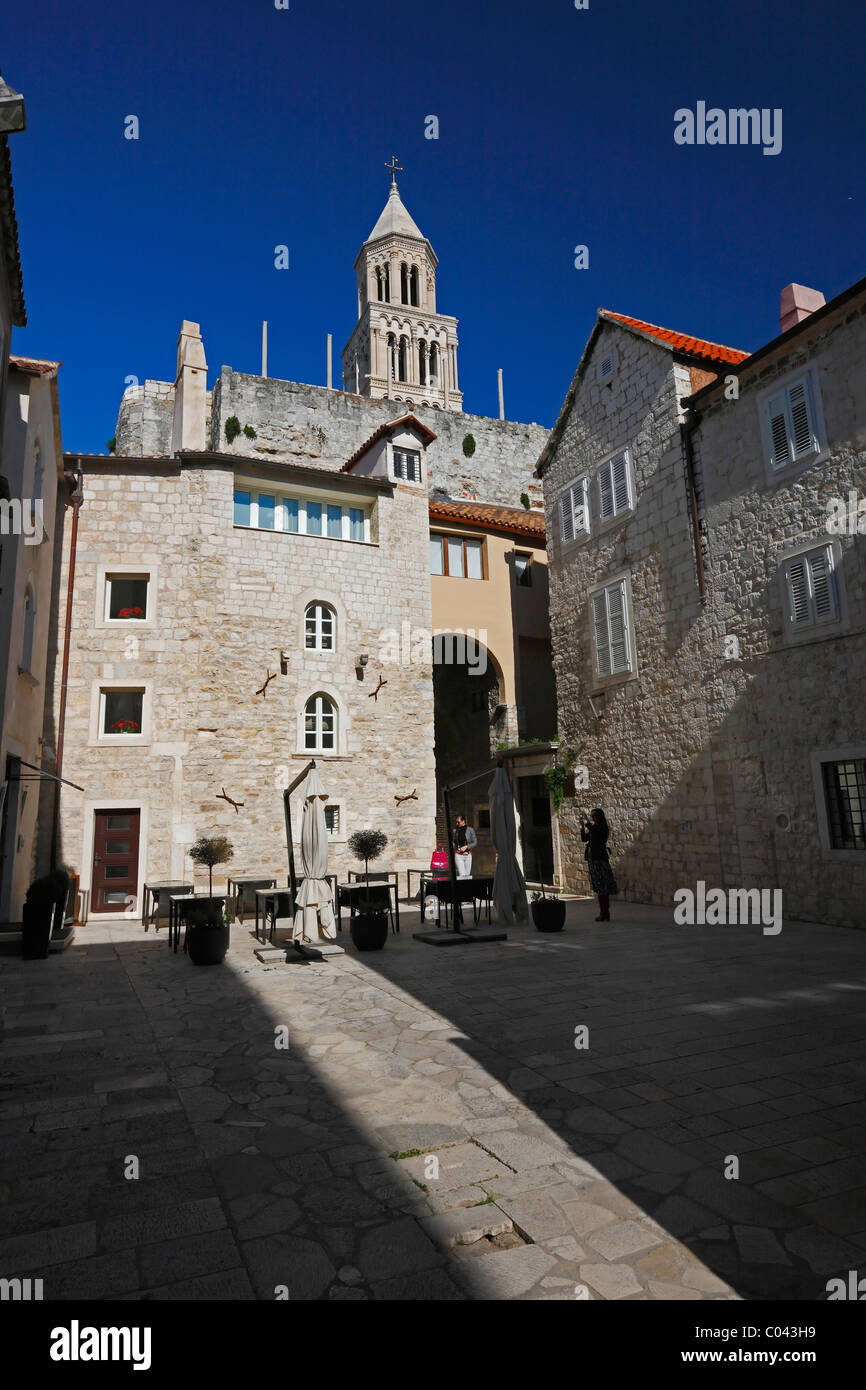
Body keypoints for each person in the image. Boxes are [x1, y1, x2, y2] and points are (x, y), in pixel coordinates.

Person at [580, 808, 616, 921]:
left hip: (600, 860)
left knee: (602, 886)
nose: (592, 817)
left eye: (594, 816)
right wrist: (582, 826)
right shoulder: (594, 827)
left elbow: (595, 832)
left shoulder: (602, 828)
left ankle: (604, 912)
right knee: (599, 887)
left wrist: (587, 822)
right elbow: (584, 838)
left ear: (599, 816)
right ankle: (604, 912)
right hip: (593, 860)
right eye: (592, 816)